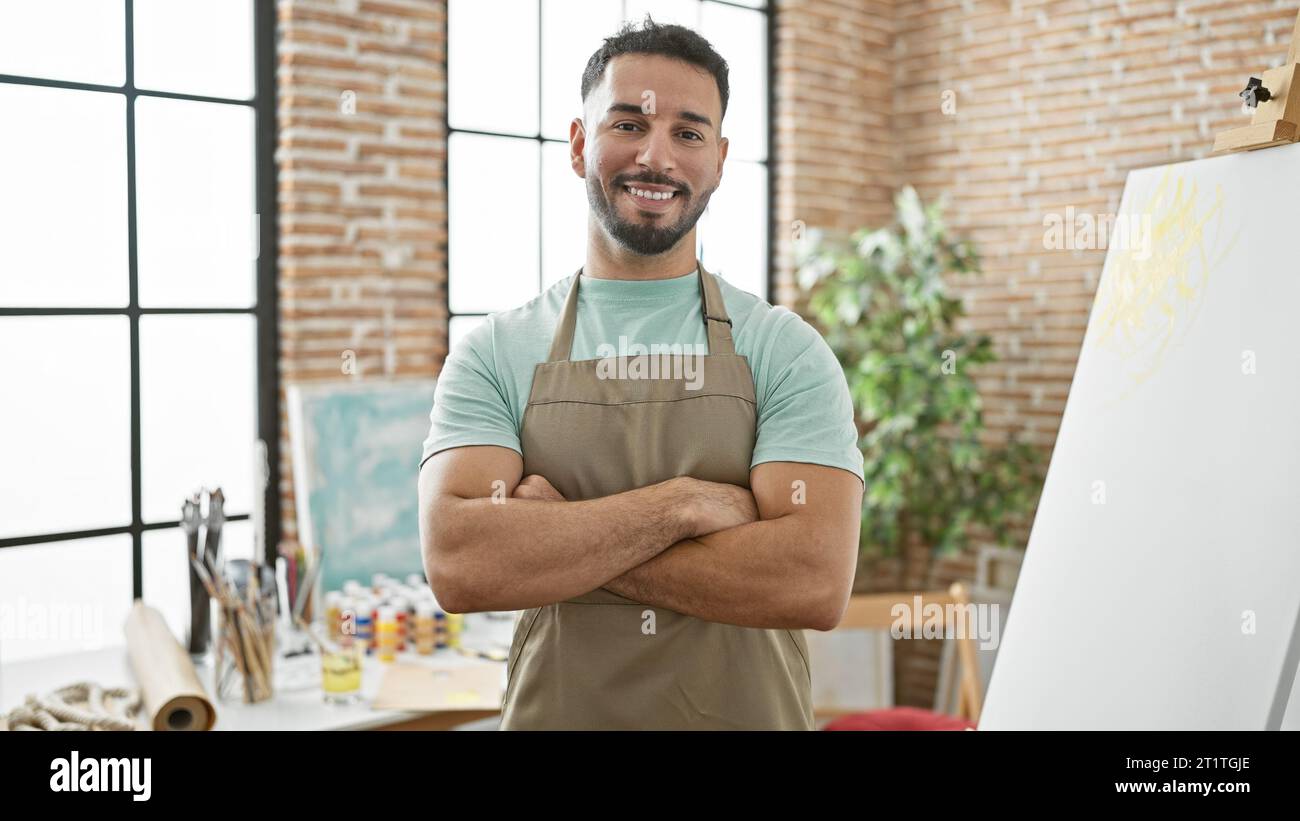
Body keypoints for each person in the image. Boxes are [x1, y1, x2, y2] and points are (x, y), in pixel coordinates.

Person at [417, 15, 864, 730]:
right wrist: (682, 506)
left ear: (717, 159)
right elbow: (461, 564)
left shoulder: (786, 350)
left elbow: (811, 580)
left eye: (688, 133)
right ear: (577, 144)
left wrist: (558, 535)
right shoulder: (496, 350)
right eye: (628, 124)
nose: (657, 157)